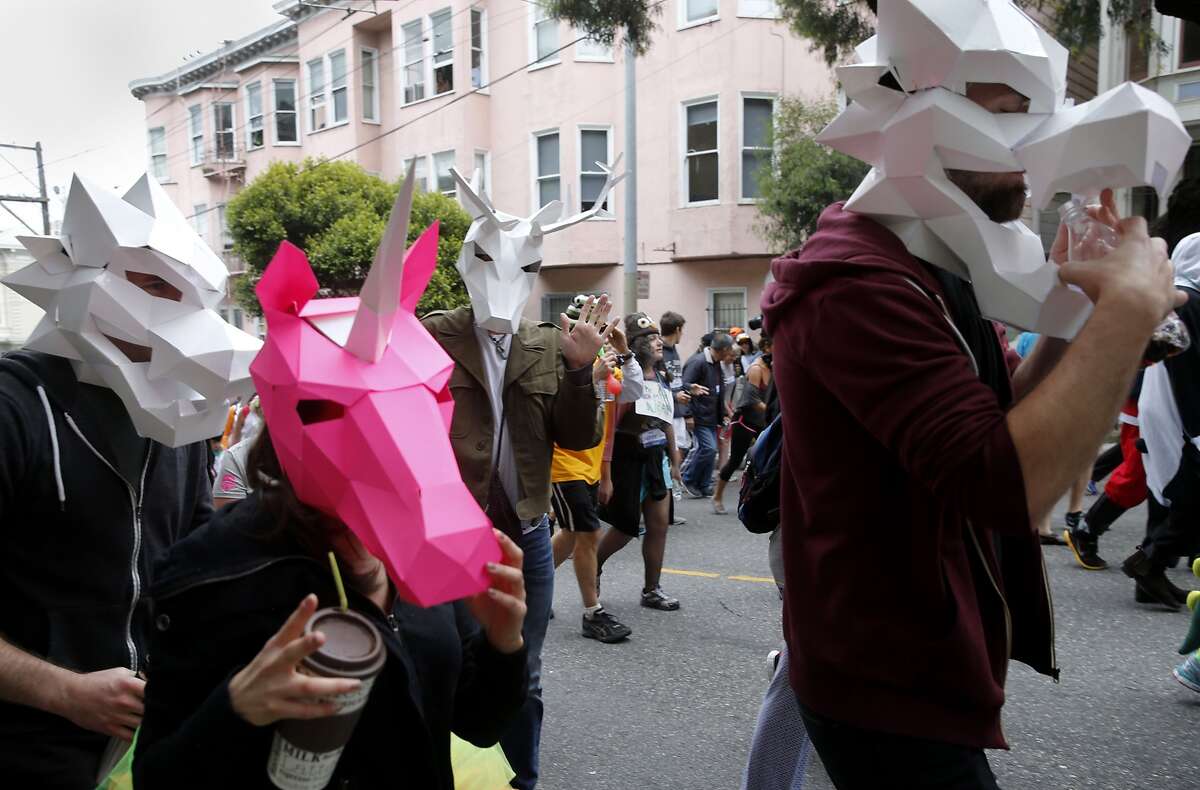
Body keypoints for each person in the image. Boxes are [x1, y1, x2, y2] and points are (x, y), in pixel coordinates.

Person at [763, 2, 1185, 783]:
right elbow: (1003, 485)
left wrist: (1076, 314)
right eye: (1010, 118)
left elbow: (999, 415)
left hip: (920, 656)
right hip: (886, 678)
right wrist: (1124, 315)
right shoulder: (856, 283)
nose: (1041, 151)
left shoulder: (927, 263)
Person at [0, 173, 259, 786]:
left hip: (145, 735)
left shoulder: (180, 414)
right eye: (155, 288)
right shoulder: (15, 408)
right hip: (24, 747)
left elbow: (196, 557)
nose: (181, 320)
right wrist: (62, 692)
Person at [133, 428, 529, 788]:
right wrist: (236, 709)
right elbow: (156, 775)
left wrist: (503, 641)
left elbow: (476, 721)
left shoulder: (424, 540)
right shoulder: (217, 575)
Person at [423, 295, 606, 790]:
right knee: (452, 662)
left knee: (524, 666)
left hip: (527, 532)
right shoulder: (434, 333)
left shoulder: (548, 342)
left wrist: (577, 369)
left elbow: (576, 436)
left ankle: (521, 780)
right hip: (452, 536)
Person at [550, 324, 643, 643]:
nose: (600, 342)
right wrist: (589, 377)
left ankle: (529, 584)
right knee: (588, 534)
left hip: (589, 466)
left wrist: (626, 352)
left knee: (572, 533)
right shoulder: (559, 365)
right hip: (563, 465)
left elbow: (630, 394)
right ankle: (593, 613)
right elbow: (557, 408)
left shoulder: (605, 364)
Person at [595, 314, 684, 611]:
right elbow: (609, 428)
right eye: (650, 338)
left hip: (656, 457)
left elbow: (665, 418)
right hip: (626, 457)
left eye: (658, 336)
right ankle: (592, 566)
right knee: (624, 527)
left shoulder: (661, 375)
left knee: (659, 525)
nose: (658, 342)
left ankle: (652, 589)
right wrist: (605, 475)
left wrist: (674, 457)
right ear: (634, 345)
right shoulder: (619, 377)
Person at [1130, 232, 1200, 608]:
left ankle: (1150, 572)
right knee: (1185, 495)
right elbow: (1188, 367)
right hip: (1180, 410)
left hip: (1165, 406)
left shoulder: (1180, 298)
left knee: (1168, 493)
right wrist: (1196, 427)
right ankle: (1149, 564)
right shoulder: (1189, 301)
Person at [712, 337, 773, 515]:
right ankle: (717, 496)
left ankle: (759, 498)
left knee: (769, 459)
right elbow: (751, 400)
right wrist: (773, 409)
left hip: (763, 421)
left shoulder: (774, 366)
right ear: (767, 347)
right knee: (735, 460)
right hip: (745, 422)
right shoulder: (756, 368)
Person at [680, 332, 736, 498]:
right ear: (723, 349)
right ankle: (688, 479)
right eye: (729, 349)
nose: (730, 353)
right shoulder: (698, 362)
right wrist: (688, 414)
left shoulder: (715, 362)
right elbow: (684, 386)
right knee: (708, 448)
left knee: (711, 452)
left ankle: (704, 484)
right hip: (699, 415)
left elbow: (718, 390)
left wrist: (723, 412)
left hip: (711, 415)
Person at [660, 310, 691, 526]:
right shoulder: (659, 351)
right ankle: (664, 511)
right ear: (678, 329)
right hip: (665, 413)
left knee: (675, 455)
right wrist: (674, 395)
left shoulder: (674, 351)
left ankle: (668, 510)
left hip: (677, 412)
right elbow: (653, 386)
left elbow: (675, 382)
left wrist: (690, 388)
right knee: (670, 457)